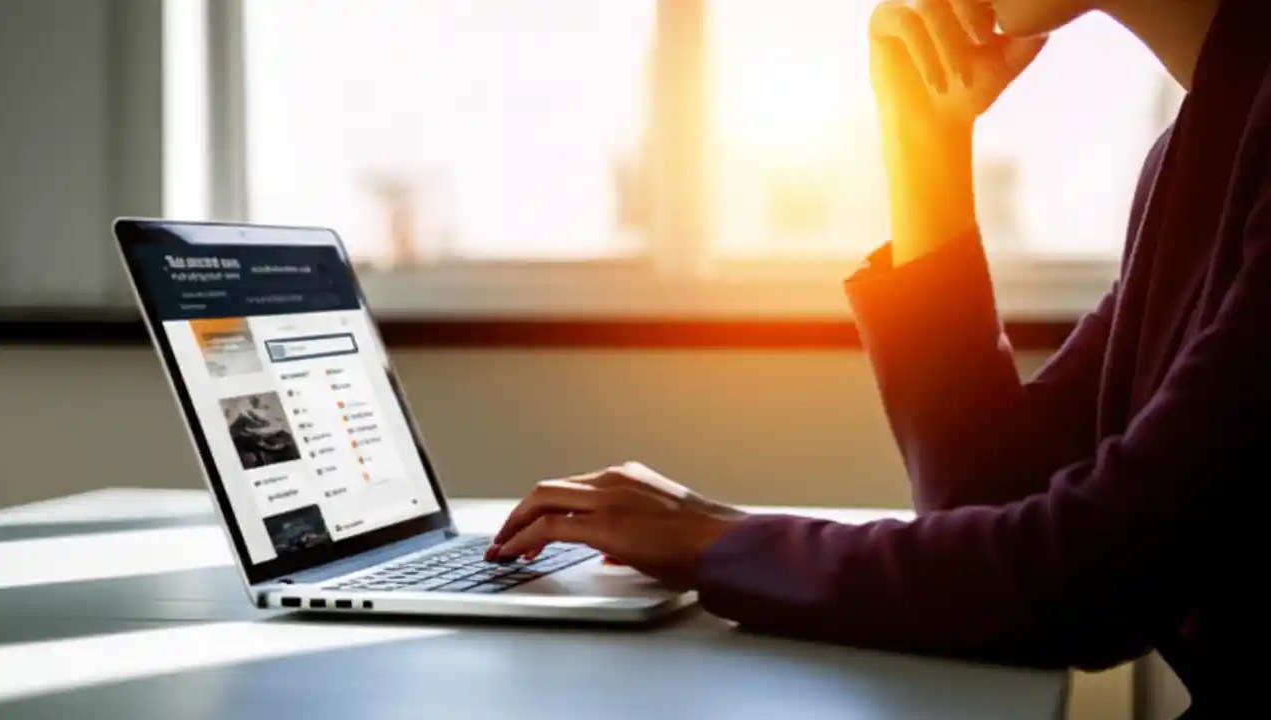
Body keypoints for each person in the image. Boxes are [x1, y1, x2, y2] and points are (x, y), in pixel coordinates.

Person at [489, 0, 1267, 712]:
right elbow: (992, 500)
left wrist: (716, 540)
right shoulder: (1204, 141)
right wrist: (923, 142)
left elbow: (1094, 574)